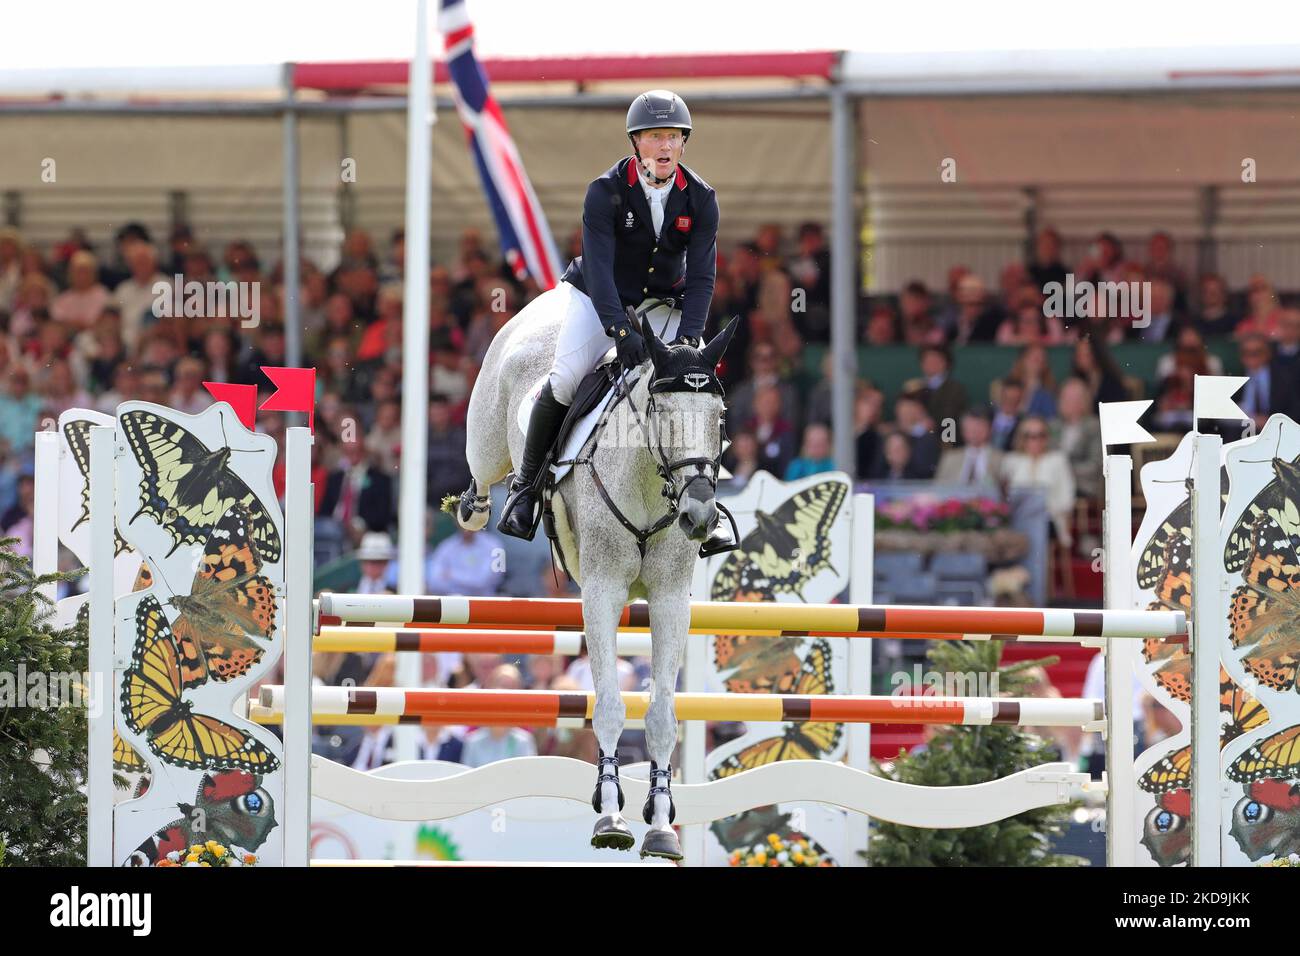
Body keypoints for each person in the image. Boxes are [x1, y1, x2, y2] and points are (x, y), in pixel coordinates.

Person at [494, 90, 731, 557]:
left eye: (673, 138)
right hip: (600, 298)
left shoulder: (701, 199)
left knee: (699, 387)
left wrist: (687, 341)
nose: (665, 147)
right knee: (562, 381)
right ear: (636, 143)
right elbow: (600, 271)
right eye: (655, 137)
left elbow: (703, 276)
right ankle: (525, 489)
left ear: (683, 144)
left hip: (667, 303)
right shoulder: (604, 191)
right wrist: (620, 332)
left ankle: (711, 506)